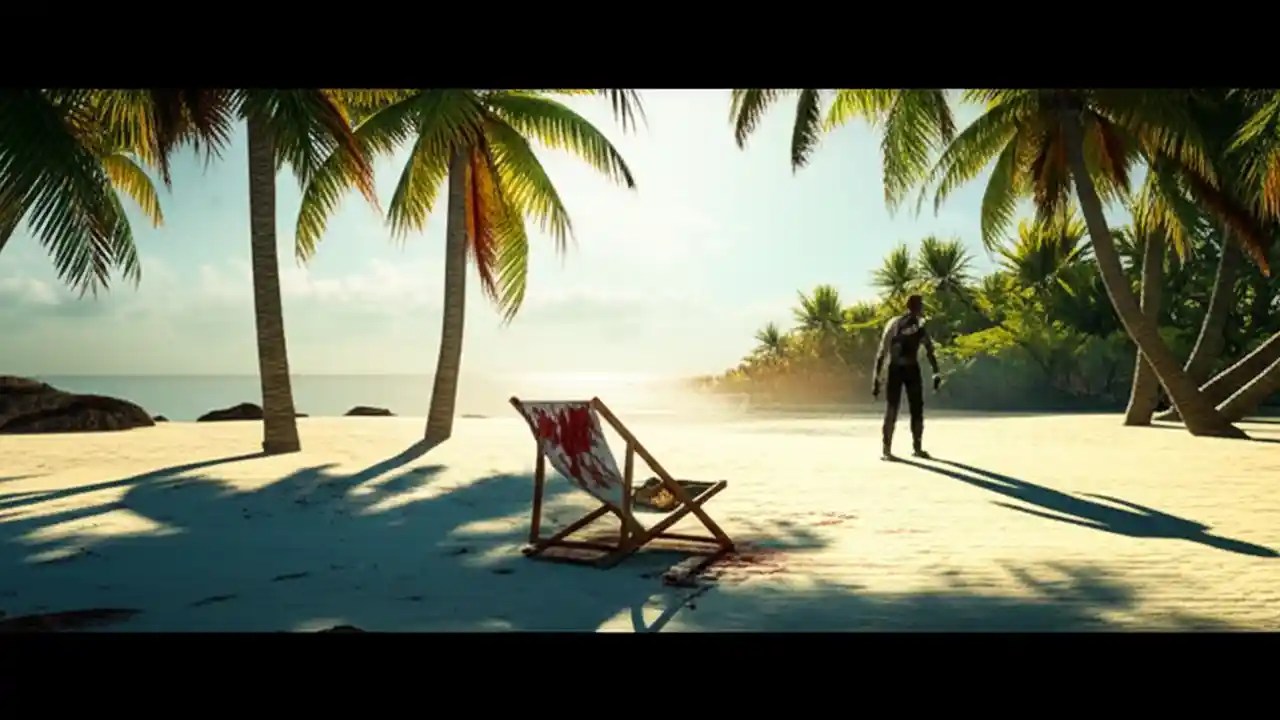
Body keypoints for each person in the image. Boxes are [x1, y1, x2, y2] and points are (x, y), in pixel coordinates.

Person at [871, 294, 941, 460]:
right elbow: (929, 350)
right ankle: (914, 448)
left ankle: (889, 450)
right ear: (917, 307)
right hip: (909, 369)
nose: (922, 308)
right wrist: (936, 372)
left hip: (897, 369)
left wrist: (877, 378)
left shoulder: (895, 323)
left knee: (895, 408)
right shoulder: (916, 325)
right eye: (921, 305)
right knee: (913, 409)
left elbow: (882, 353)